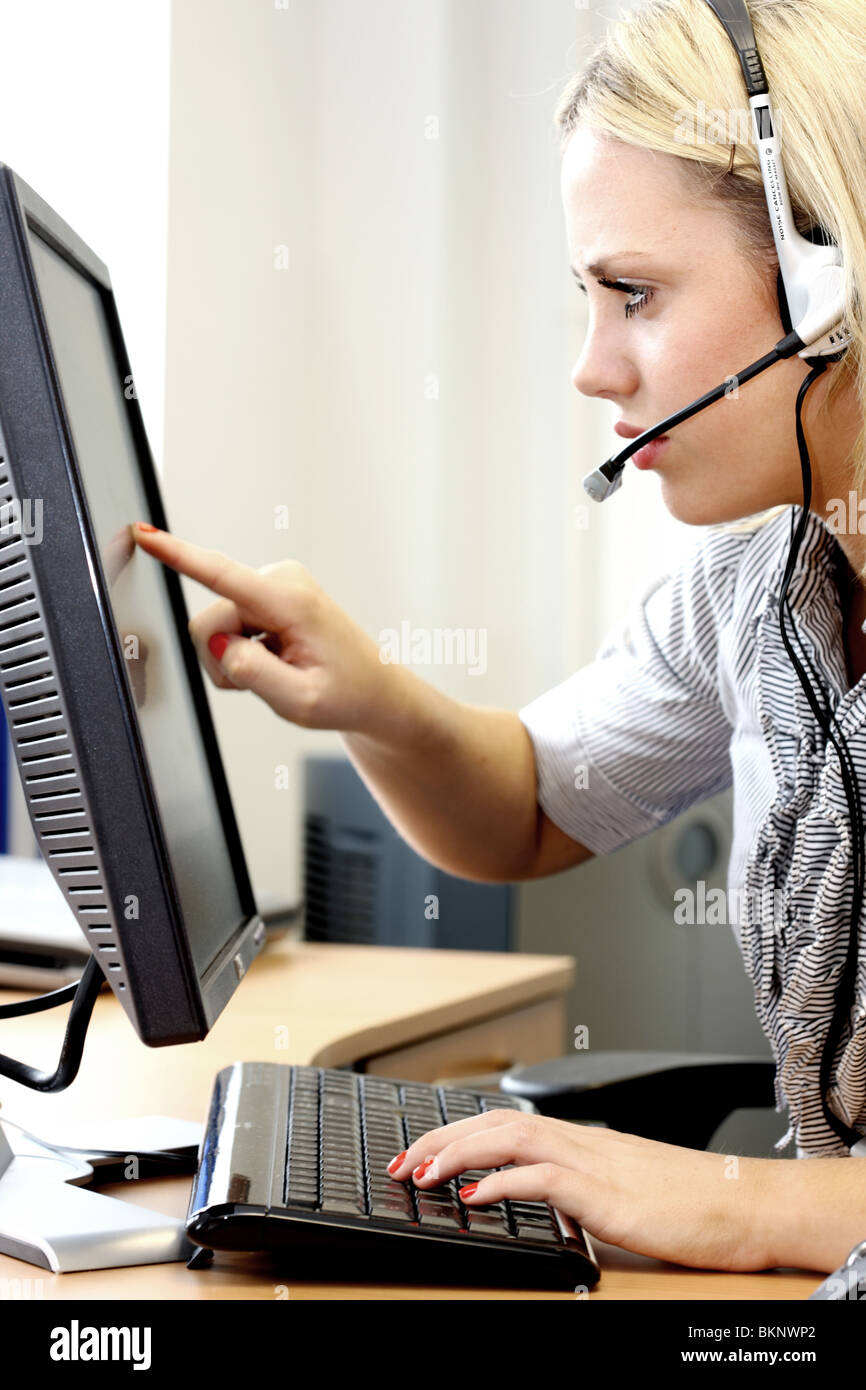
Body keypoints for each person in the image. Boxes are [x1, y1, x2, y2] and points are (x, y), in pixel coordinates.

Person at [130, 0, 866, 1273]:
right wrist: (366, 697)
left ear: (825, 275)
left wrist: (738, 1202)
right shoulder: (757, 581)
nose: (591, 367)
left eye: (633, 294)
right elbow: (526, 807)